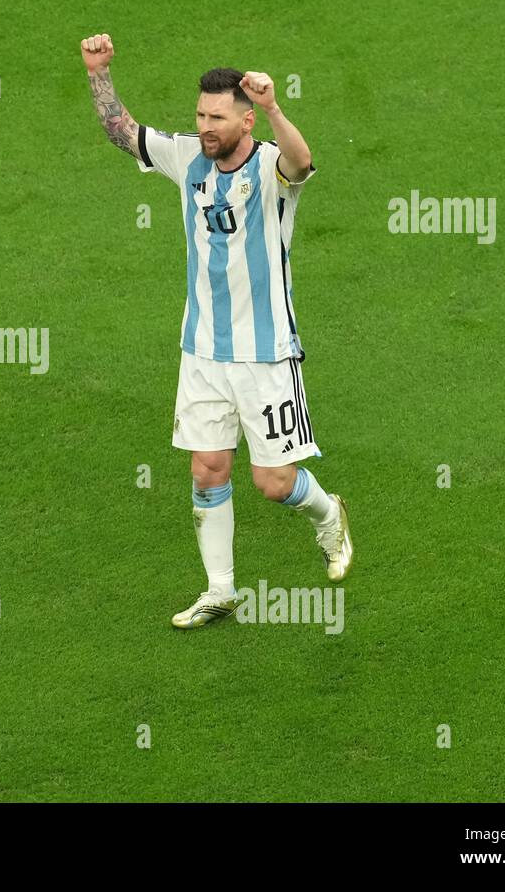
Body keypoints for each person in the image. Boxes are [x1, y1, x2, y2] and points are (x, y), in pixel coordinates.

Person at [80, 34, 352, 629]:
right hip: (201, 350)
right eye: (200, 114)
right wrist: (98, 72)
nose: (204, 125)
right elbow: (122, 132)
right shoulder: (188, 158)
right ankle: (220, 589)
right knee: (207, 468)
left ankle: (329, 515)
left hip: (265, 353)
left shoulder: (270, 168)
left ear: (245, 119)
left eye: (217, 117)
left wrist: (278, 108)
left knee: (274, 483)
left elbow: (303, 162)